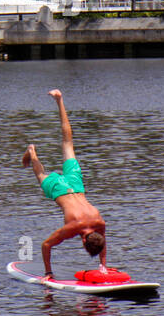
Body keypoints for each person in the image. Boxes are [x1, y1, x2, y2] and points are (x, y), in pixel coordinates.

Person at [22, 90, 106, 278]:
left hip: (76, 185)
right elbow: (46, 245)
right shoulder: (73, 229)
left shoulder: (100, 222)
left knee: (68, 142)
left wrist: (103, 265)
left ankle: (59, 100)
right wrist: (48, 273)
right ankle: (31, 151)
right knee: (40, 173)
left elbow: (103, 241)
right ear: (83, 241)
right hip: (59, 190)